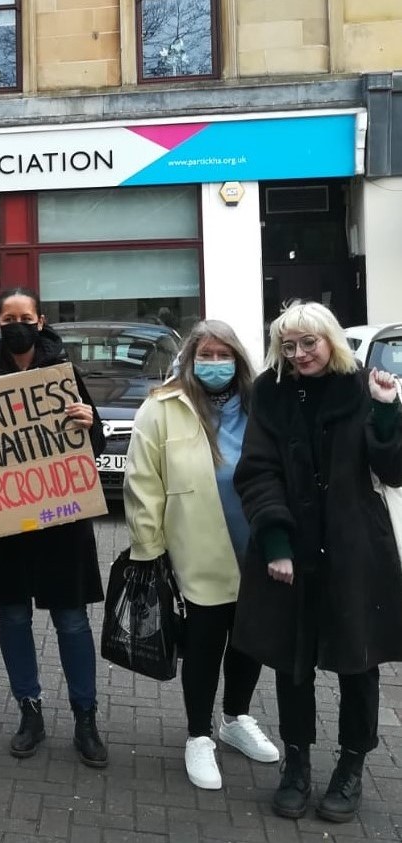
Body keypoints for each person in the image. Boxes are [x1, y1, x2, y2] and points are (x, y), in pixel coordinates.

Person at [234, 301, 402, 823]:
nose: (300, 353)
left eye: (309, 342)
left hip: (355, 550)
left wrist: (387, 410)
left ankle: (351, 766)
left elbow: (393, 471)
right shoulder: (270, 394)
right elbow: (257, 471)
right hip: (292, 552)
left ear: (330, 340)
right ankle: (297, 765)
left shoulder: (360, 388)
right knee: (293, 663)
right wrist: (277, 543)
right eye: (289, 345)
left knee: (358, 662)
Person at [124, 320, 280, 790]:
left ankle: (235, 719)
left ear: (238, 357)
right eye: (205, 355)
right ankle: (198, 735)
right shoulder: (162, 407)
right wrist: (149, 549)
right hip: (197, 548)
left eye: (223, 354)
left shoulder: (259, 405)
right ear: (189, 359)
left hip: (257, 547)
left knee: (250, 641)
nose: (214, 363)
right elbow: (142, 481)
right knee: (205, 645)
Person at [0, 289, 110, 768]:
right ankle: (30, 711)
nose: (17, 325)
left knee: (70, 620)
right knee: (13, 619)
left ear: (41, 321)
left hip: (59, 524)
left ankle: (85, 717)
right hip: (4, 525)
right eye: (9, 318)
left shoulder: (62, 374)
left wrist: (92, 421)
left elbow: (94, 439)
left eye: (25, 317)